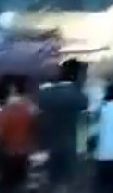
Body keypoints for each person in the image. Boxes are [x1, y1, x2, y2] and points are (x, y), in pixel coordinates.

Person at [37, 60, 89, 193]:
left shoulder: (44, 92)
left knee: (50, 179)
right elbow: (84, 120)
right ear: (77, 75)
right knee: (67, 181)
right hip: (69, 142)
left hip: (46, 142)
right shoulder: (79, 95)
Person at [0, 76, 36, 193]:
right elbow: (34, 128)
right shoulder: (30, 108)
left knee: (8, 185)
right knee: (21, 182)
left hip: (9, 153)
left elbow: (0, 134)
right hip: (23, 151)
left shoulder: (6, 110)